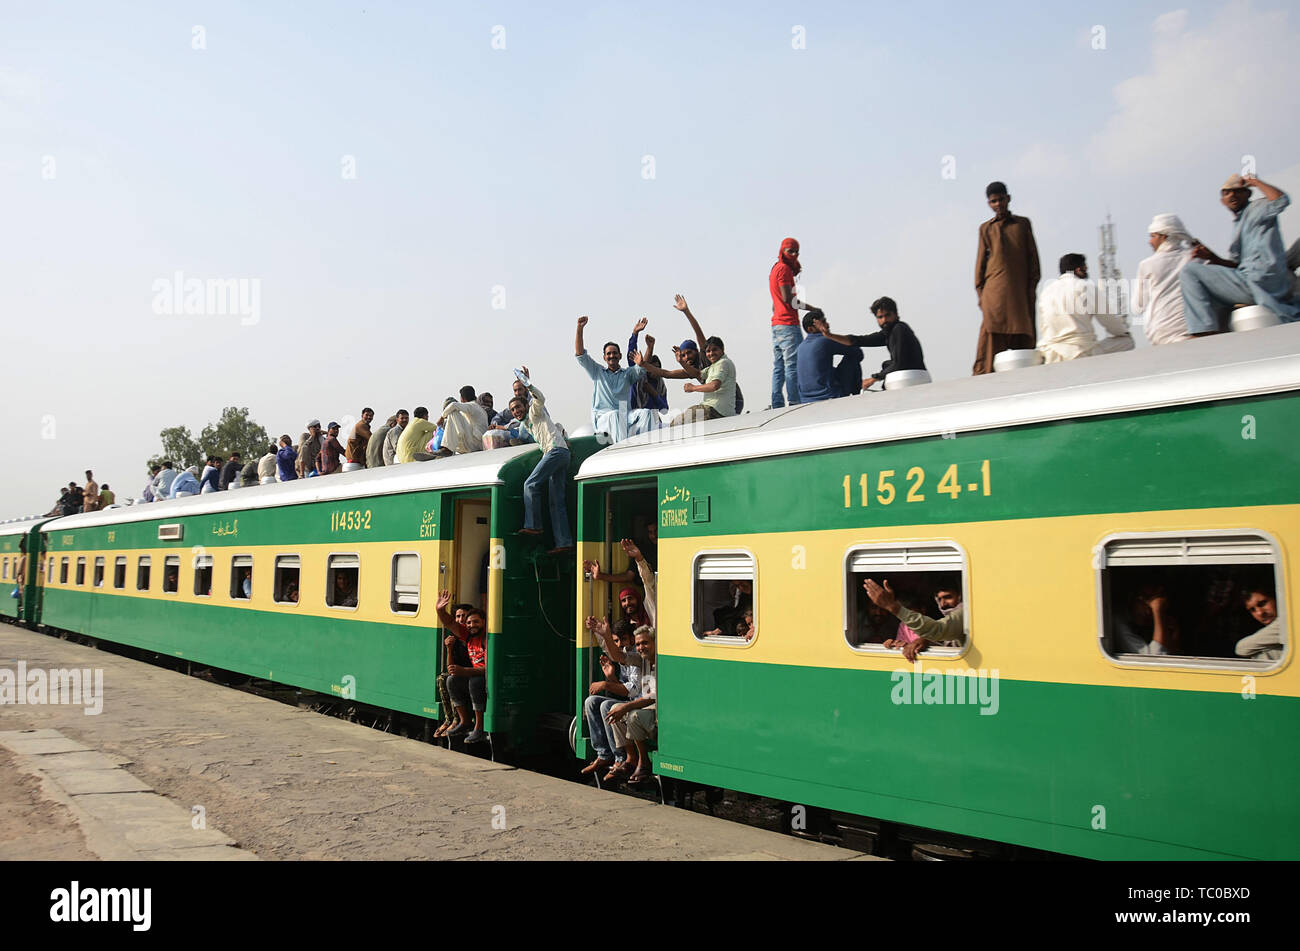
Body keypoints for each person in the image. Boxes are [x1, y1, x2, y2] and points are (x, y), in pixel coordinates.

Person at [1180, 174, 1300, 334]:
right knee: (1207, 288)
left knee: (1189, 271)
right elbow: (1236, 266)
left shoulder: (1258, 209)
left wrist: (1256, 182)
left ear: (1248, 193)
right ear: (1222, 200)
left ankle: (1203, 332)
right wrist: (1212, 258)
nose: (1232, 196)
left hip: (1262, 282)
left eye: (1237, 191)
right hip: (1249, 281)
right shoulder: (1238, 224)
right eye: (1227, 193)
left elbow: (1281, 200)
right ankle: (1219, 339)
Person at [973, 181, 1041, 374]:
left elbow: (1033, 262)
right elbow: (979, 268)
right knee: (990, 350)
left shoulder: (1022, 224)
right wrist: (982, 298)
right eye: (993, 201)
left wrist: (1030, 291)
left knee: (1025, 348)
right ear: (989, 203)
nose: (998, 204)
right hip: (994, 297)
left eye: (1001, 199)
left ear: (1008, 199)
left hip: (1020, 297)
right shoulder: (986, 229)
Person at [509, 369, 574, 554]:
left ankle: (534, 524)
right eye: (513, 410)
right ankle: (564, 542)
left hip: (555, 451)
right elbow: (514, 433)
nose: (516, 411)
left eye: (518, 408)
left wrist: (527, 383)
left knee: (530, 484)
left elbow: (540, 399)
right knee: (556, 502)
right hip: (562, 455)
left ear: (525, 406)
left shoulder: (535, 413)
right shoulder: (524, 425)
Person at [574, 316, 661, 442]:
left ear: (620, 356)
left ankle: (647, 448)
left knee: (647, 413)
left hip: (626, 417)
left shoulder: (627, 374)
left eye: (614, 353)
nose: (611, 356)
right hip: (604, 419)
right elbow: (580, 354)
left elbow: (642, 366)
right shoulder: (597, 372)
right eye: (608, 354)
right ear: (604, 357)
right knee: (616, 415)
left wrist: (650, 347)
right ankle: (623, 452)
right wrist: (579, 328)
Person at [1037, 254, 1134, 363]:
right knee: (1127, 341)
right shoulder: (1085, 287)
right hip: (1080, 351)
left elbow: (1043, 325)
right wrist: (1124, 332)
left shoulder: (1046, 291)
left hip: (1051, 353)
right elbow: (1109, 322)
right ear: (1079, 270)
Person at [817, 297, 927, 390]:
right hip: (906, 377)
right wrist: (829, 335)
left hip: (910, 378)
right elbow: (859, 340)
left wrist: (873, 379)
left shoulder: (899, 329)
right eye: (880, 317)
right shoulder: (888, 333)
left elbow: (900, 363)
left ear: (896, 314)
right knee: (886, 364)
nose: (884, 320)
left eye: (887, 315)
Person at [579, 618, 641, 777]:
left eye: (623, 639)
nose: (620, 644)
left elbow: (632, 691)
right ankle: (604, 754)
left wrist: (606, 684)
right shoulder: (623, 654)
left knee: (606, 706)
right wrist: (611, 677)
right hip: (629, 700)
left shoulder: (635, 654)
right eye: (616, 641)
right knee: (591, 702)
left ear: (632, 638)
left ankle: (620, 758)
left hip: (639, 703)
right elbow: (622, 687)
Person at [601, 625, 658, 784]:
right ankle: (631, 758)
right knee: (613, 710)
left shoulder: (661, 660)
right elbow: (618, 656)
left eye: (645, 643)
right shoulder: (642, 659)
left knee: (632, 715)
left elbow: (653, 697)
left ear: (655, 643)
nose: (641, 647)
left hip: (659, 711)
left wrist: (626, 706)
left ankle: (644, 761)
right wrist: (606, 636)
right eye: (638, 644)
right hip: (647, 707)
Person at [862, 578, 965, 662]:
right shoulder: (902, 626)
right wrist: (896, 645)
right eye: (939, 599)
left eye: (948, 597)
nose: (943, 604)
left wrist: (892, 606)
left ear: (960, 596)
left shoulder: (963, 613)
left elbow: (938, 630)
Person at [435, 590, 489, 744]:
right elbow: (450, 623)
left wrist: (465, 671)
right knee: (451, 680)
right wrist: (440, 610)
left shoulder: (487, 639)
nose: (472, 625)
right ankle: (465, 722)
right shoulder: (468, 635)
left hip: (485, 680)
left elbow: (488, 670)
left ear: (484, 622)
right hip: (475, 677)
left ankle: (479, 728)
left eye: (476, 622)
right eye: (469, 623)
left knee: (475, 680)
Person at [1133, 214, 1194, 346]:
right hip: (1192, 331)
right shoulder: (1195, 257)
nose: (1150, 242)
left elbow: (1138, 306)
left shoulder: (1147, 265)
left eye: (1152, 236)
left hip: (1161, 333)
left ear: (1163, 237)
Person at [770, 237, 813, 407]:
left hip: (777, 324)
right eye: (790, 251)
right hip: (788, 324)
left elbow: (776, 304)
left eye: (796, 252)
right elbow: (789, 298)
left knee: (779, 366)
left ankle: (777, 404)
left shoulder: (775, 269)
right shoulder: (784, 269)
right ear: (783, 250)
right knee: (793, 364)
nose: (794, 255)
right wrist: (811, 308)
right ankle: (795, 402)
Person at [796, 310, 864, 402]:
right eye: (823, 323)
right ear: (811, 329)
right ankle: (857, 394)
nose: (827, 325)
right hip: (828, 395)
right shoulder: (824, 341)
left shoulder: (800, 347)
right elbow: (858, 353)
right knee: (852, 357)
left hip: (805, 399)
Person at [438, 387, 490, 456]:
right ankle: (449, 447)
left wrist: (442, 417)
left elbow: (453, 405)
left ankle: (447, 449)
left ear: (462, 398)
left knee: (453, 412)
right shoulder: (479, 409)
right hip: (478, 443)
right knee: (455, 412)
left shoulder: (472, 405)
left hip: (474, 444)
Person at [1236, 586, 1283, 661]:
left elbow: (1241, 648)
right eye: (1252, 610)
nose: (1260, 613)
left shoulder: (1288, 621)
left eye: (1262, 603)